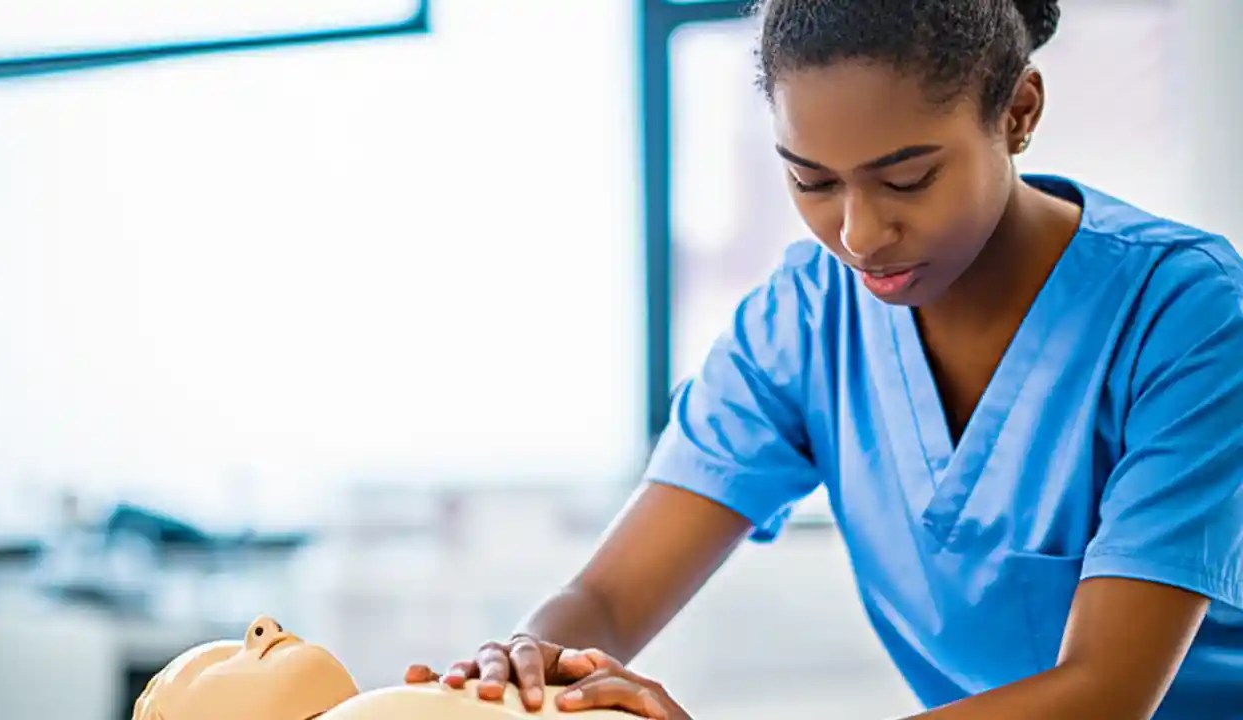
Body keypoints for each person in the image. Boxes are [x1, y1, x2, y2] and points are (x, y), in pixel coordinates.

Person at [406, 1, 1243, 718]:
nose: (858, 235)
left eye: (908, 180)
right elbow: (610, 599)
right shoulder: (805, 315)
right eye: (811, 182)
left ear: (1020, 111)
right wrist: (530, 663)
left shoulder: (1187, 312)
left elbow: (1103, 693)